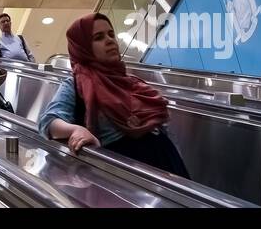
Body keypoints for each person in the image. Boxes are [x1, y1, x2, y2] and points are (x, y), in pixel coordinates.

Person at [38, 12, 190, 178]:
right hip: (127, 170)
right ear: (83, 47)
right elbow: (48, 122)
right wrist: (76, 130)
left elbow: (160, 126)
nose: (109, 40)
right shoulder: (76, 84)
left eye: (111, 34)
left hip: (166, 159)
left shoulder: (130, 80)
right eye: (98, 37)